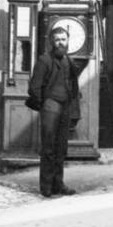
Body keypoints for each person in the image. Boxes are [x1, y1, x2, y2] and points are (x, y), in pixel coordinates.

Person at [27, 24, 82, 198]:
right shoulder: (44, 60)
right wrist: (44, 104)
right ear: (52, 42)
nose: (60, 43)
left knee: (61, 148)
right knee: (48, 148)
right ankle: (46, 187)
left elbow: (73, 83)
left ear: (67, 42)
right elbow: (34, 87)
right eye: (57, 40)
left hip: (65, 106)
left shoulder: (69, 60)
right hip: (51, 106)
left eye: (63, 40)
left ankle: (59, 184)